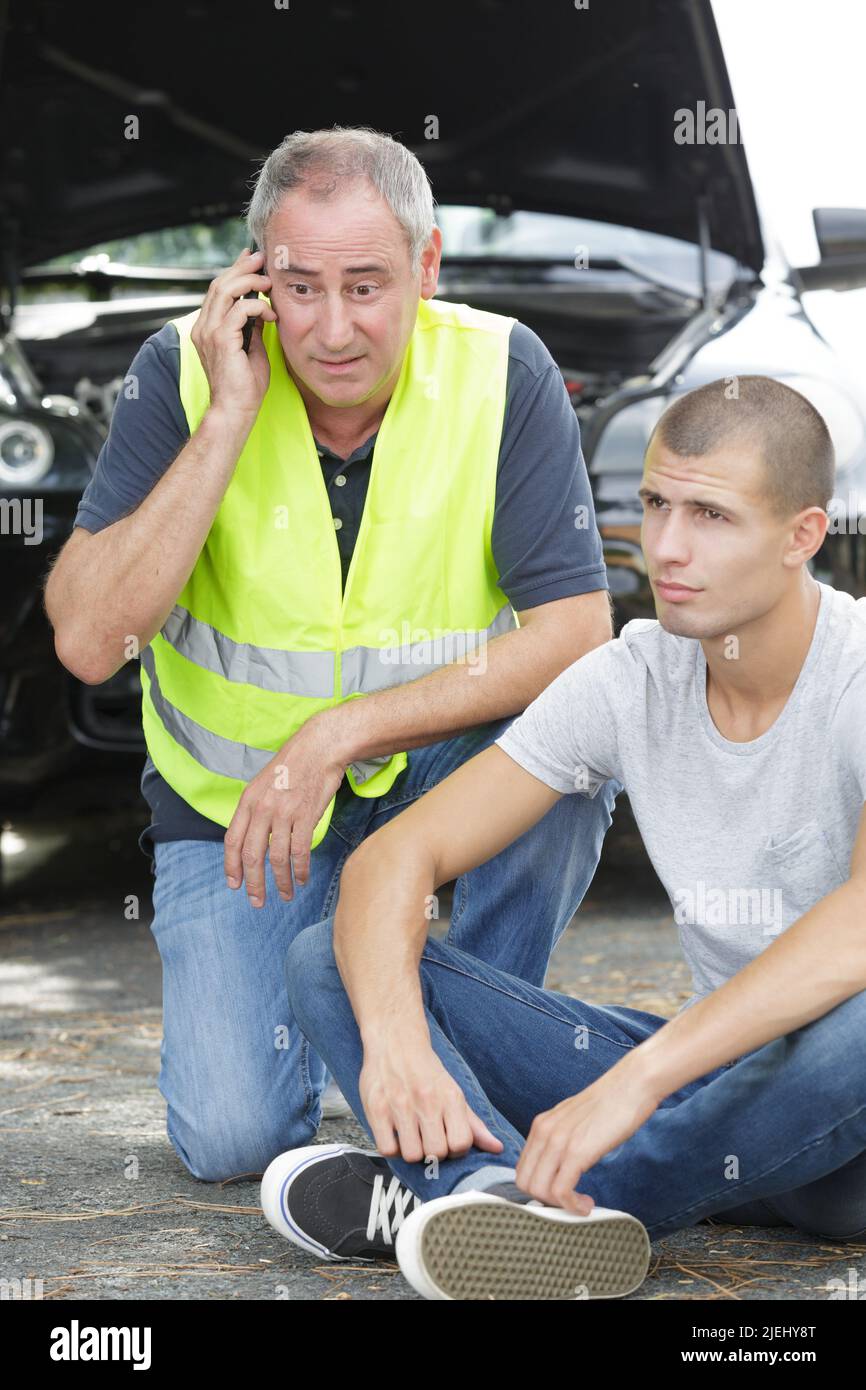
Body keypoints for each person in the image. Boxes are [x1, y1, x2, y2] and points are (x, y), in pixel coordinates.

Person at [43, 127, 616, 1181]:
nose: (334, 328)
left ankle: (455, 1057)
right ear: (254, 275)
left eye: (367, 285)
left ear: (427, 267)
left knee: (576, 743)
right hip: (239, 810)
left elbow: (579, 634)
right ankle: (369, 1031)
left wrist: (339, 731)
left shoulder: (501, 369)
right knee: (231, 1140)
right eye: (301, 289)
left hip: (430, 784)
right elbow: (87, 641)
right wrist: (225, 419)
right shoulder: (178, 372)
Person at [267, 375, 866, 1301]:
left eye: (710, 515)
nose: (665, 547)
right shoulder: (633, 676)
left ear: (802, 536)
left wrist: (630, 1086)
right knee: (328, 956)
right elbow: (396, 859)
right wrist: (395, 1045)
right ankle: (498, 1198)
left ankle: (492, 1203)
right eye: (655, 504)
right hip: (720, 1105)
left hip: (842, 1128)